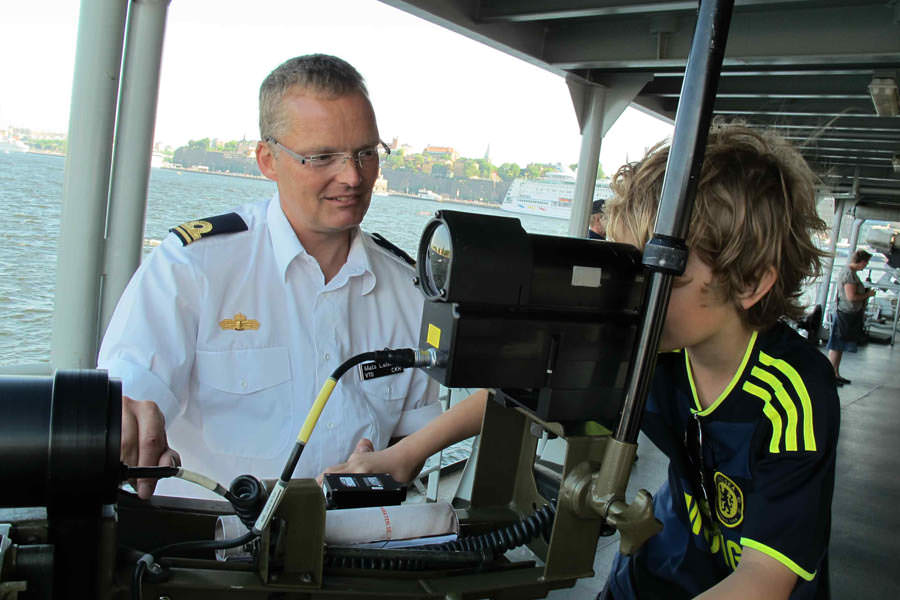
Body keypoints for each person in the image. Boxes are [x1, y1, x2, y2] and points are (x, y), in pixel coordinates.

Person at [326, 124, 840, 600]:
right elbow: (518, 386)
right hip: (658, 568)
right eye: (636, 267)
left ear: (750, 283)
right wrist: (405, 455)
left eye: (668, 280)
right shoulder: (655, 344)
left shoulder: (792, 395)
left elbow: (764, 578)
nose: (639, 294)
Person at [99, 54, 440, 499]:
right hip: (208, 536)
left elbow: (411, 442)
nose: (353, 177)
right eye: (323, 157)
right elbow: (129, 402)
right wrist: (126, 420)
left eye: (366, 153)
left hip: (354, 538)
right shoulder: (192, 268)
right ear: (268, 160)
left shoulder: (409, 291)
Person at [826, 249, 875, 385]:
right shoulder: (849, 275)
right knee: (837, 345)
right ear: (862, 262)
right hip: (845, 313)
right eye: (866, 263)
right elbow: (851, 297)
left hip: (847, 312)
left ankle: (835, 373)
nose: (866, 266)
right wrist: (868, 295)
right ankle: (830, 375)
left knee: (839, 345)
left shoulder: (850, 273)